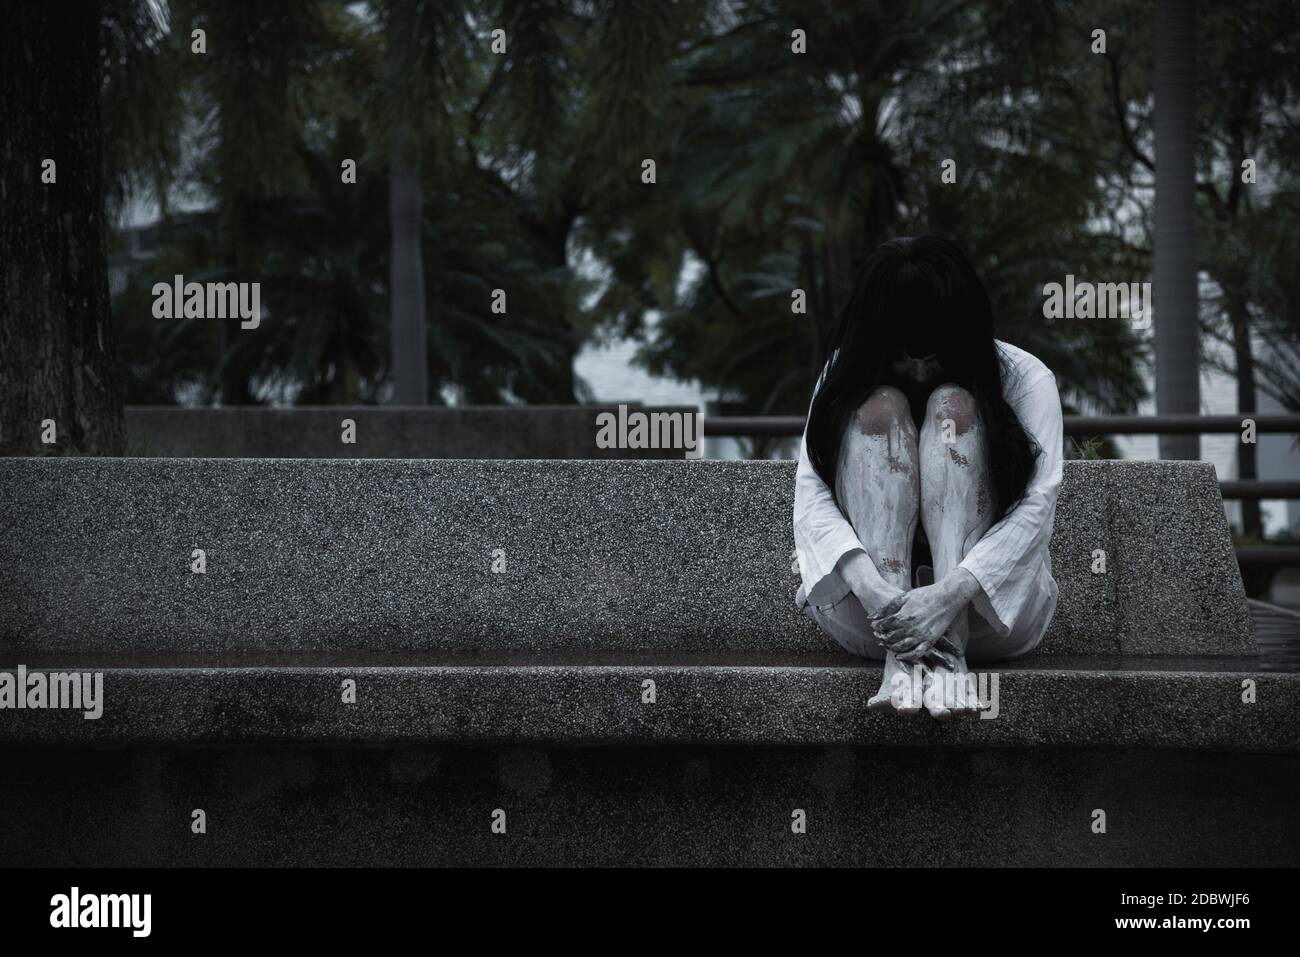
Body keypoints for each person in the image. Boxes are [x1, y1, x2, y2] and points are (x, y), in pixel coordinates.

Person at [793, 235, 1064, 719]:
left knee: (952, 409)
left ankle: (949, 652)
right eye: (904, 358)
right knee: (879, 410)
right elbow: (812, 495)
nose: (919, 374)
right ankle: (905, 660)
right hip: (873, 621)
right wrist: (883, 602)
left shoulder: (1026, 380)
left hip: (989, 620)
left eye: (933, 358)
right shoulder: (843, 376)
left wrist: (946, 598)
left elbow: (1036, 510)